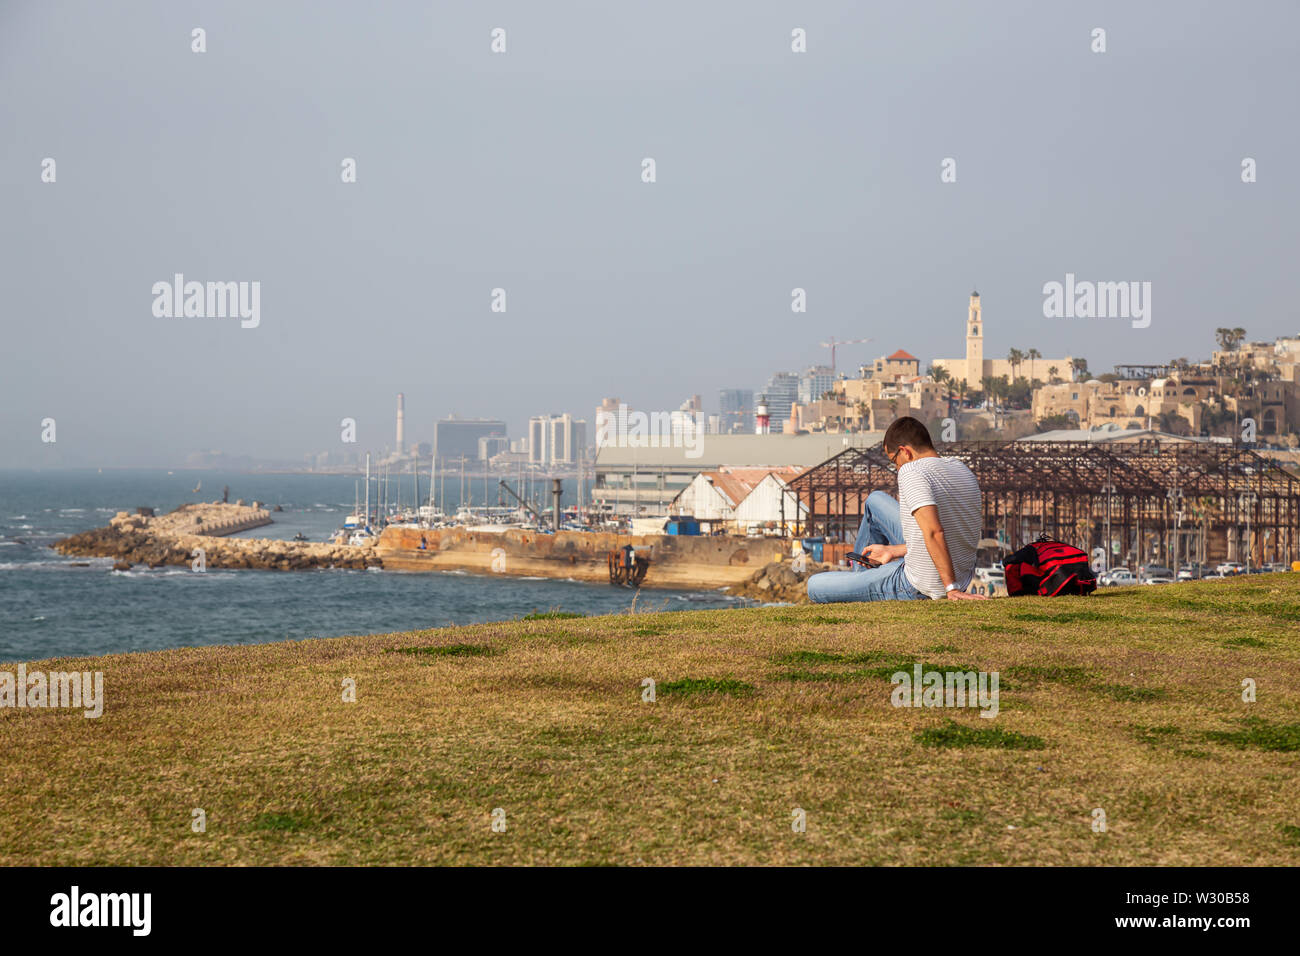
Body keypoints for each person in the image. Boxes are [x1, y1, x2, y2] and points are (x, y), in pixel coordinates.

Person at [807, 416, 987, 603]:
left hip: (918, 585)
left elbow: (935, 532)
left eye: (894, 460)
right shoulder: (961, 468)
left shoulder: (911, 471)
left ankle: (860, 580)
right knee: (875, 500)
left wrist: (951, 589)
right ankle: (863, 574)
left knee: (814, 586)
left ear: (905, 452)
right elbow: (952, 533)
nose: (896, 467)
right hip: (950, 569)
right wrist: (894, 551)